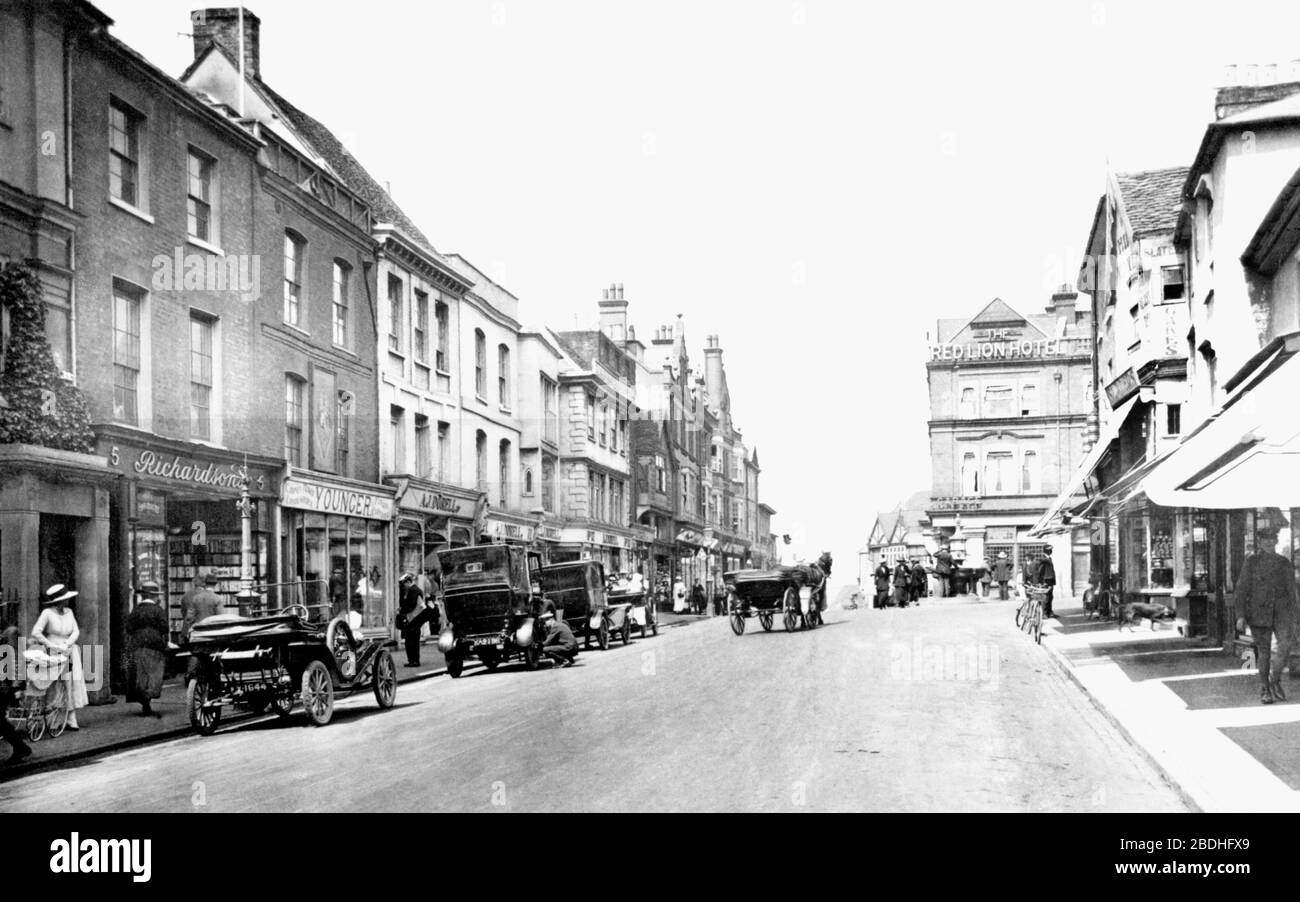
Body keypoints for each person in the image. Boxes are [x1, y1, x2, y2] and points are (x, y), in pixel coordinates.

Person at [1235, 522, 1299, 705]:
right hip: (1258, 613)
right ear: (1260, 542)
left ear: (1276, 541)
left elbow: (1291, 591)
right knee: (1263, 652)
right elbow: (1242, 589)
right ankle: (1265, 689)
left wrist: (1296, 615)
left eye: (1272, 539)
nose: (1269, 542)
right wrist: (1240, 615)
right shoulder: (1251, 562)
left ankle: (1274, 679)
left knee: (1285, 646)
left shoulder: (1283, 562)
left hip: (1282, 612)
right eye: (1265, 539)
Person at [29, 584, 88, 731]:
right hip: (52, 651)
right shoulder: (47, 613)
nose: (66, 602)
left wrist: (68, 643)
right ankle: (54, 717)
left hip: (68, 650)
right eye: (64, 599)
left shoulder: (69, 612)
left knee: (70, 682)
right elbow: (36, 632)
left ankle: (71, 717)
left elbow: (75, 631)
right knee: (55, 683)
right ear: (57, 601)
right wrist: (51, 645)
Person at [125, 581, 168, 717]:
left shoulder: (136, 610)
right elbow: (165, 628)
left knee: (140, 673)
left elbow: (129, 628)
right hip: (155, 644)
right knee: (153, 672)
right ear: (153, 596)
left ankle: (144, 700)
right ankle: (148, 697)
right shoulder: (158, 610)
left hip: (137, 643)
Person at [1, 616, 32, 764]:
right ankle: (21, 747)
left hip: (7, 685)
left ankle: (20, 747)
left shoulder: (11, 632)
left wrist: (17, 685)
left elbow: (18, 659)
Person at [398, 572, 439, 668]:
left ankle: (414, 661)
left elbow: (411, 605)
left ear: (408, 582)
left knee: (411, 641)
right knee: (413, 640)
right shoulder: (415, 590)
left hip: (414, 618)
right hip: (416, 618)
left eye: (404, 583)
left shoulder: (413, 590)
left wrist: (402, 610)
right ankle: (414, 660)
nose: (403, 585)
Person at [181, 573, 224, 641]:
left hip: (196, 631)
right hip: (212, 632)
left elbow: (188, 616)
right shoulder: (218, 598)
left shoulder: (194, 597)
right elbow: (221, 618)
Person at [1030, 547, 1057, 618]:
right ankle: (1044, 613)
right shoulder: (1044, 559)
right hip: (1046, 581)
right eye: (1050, 550)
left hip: (1050, 581)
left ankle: (1049, 612)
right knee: (1045, 597)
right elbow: (1040, 571)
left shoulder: (1048, 558)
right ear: (1047, 551)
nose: (1051, 551)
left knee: (1050, 597)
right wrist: (1042, 582)